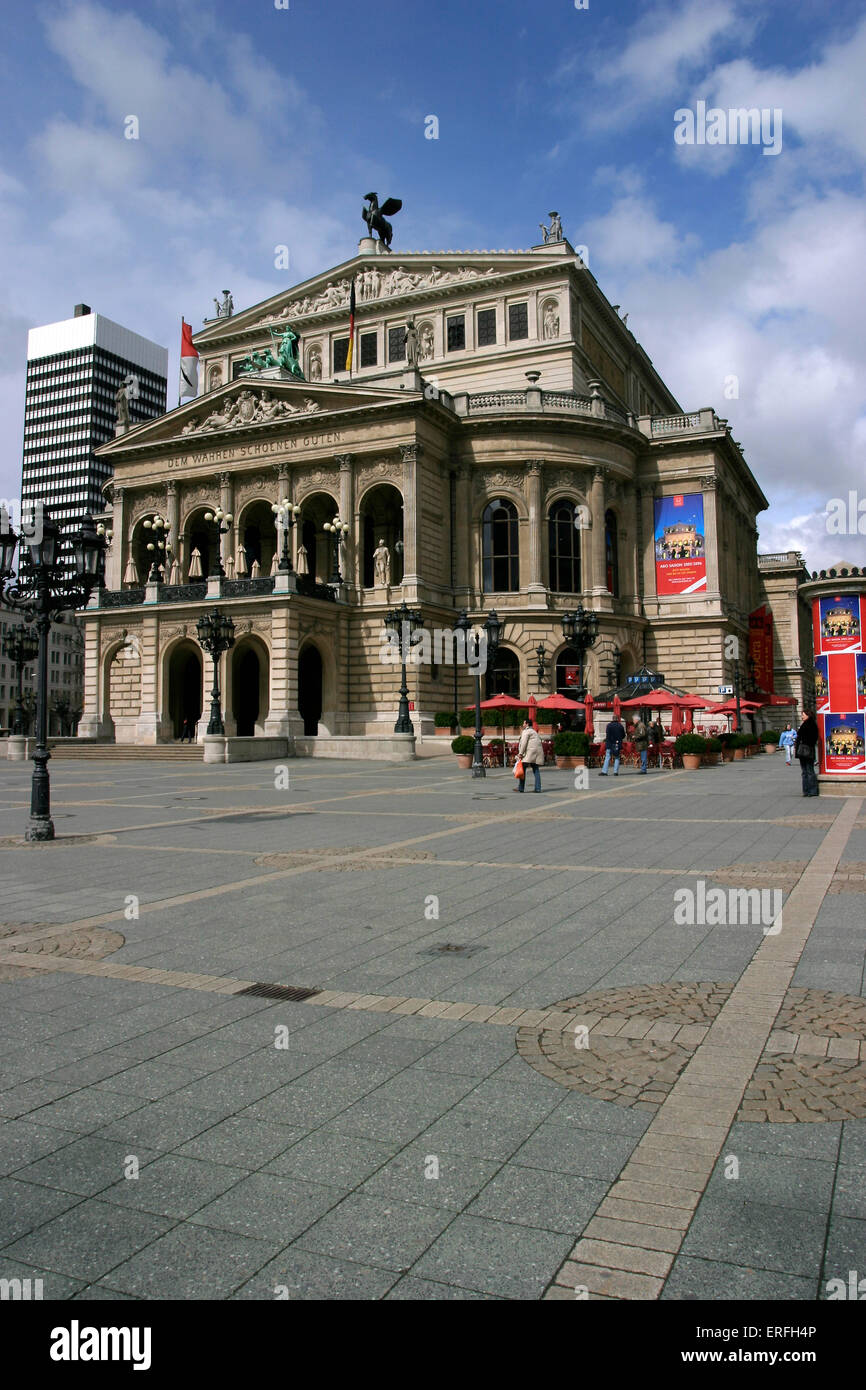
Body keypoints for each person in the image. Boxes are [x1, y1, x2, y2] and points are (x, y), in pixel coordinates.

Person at [793, 710, 820, 796]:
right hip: (804, 750)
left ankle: (811, 790)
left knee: (808, 771)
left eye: (803, 715)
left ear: (808, 715)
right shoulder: (805, 724)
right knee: (805, 771)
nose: (802, 717)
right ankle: (807, 790)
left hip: (807, 750)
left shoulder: (811, 725)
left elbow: (812, 738)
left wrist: (804, 742)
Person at [515, 718, 544, 793]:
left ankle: (521, 788)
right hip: (535, 754)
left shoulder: (526, 731)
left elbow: (524, 743)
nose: (522, 725)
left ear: (527, 724)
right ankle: (538, 788)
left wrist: (520, 753)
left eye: (524, 723)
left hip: (529, 754)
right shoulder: (534, 731)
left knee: (522, 770)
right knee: (536, 770)